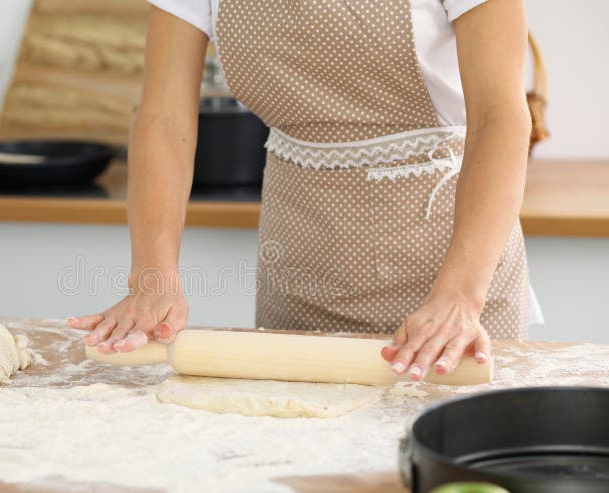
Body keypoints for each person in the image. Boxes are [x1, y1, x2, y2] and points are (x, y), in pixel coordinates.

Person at [69, 0, 543, 381]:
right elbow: (163, 118)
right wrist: (154, 277)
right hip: (300, 262)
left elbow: (499, 118)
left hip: (451, 265)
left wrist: (459, 296)